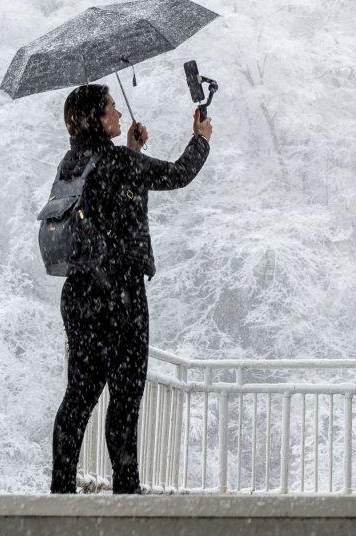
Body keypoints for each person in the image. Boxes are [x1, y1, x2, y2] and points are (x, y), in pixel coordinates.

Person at [50, 82, 211, 494]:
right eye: (112, 109)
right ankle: (127, 491)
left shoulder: (71, 163)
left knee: (79, 396)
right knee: (123, 401)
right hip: (120, 294)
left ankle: (61, 492)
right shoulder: (119, 162)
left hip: (80, 291)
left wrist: (132, 152)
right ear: (99, 119)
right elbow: (177, 174)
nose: (120, 115)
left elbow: (108, 201)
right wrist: (200, 138)